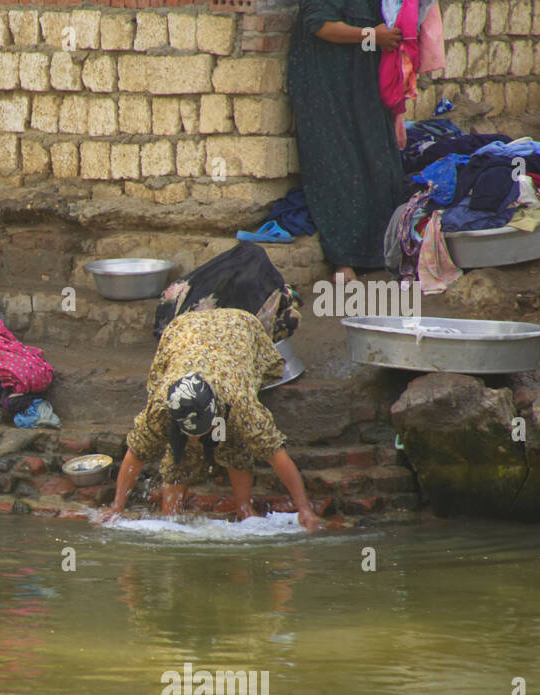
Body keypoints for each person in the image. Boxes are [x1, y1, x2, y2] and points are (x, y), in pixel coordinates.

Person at [99, 308, 321, 532]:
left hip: (238, 327)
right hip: (184, 328)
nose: (196, 436)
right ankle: (172, 515)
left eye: (201, 430)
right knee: (181, 452)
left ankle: (244, 508)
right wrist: (117, 507)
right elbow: (136, 453)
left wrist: (305, 509)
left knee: (233, 440)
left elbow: (275, 453)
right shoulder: (162, 405)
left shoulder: (238, 402)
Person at [288, 1, 405, 283]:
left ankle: (379, 253)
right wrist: (371, 36)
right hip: (324, 86)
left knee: (379, 162)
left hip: (363, 85)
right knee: (337, 164)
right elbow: (321, 26)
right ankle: (343, 261)